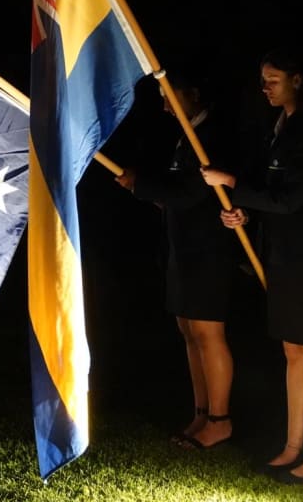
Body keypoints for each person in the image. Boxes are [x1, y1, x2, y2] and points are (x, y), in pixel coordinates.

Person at [201, 47, 303, 484]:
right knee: (291, 353)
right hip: (279, 256)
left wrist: (234, 186)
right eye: (262, 80)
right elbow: (271, 193)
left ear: (297, 80)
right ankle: (293, 445)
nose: (265, 88)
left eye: (273, 80)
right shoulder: (279, 127)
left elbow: (294, 198)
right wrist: (245, 213)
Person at [114, 67, 238, 450]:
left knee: (207, 331)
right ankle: (201, 413)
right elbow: (176, 190)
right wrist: (150, 190)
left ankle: (220, 419)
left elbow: (193, 191)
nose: (166, 106)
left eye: (172, 96)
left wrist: (142, 185)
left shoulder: (213, 134)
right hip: (182, 245)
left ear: (194, 94)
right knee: (188, 330)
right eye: (163, 99)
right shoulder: (187, 136)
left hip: (208, 249)